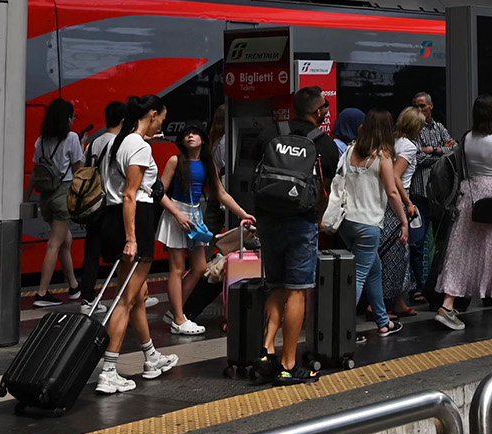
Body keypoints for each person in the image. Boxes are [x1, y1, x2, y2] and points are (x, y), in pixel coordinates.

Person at [95, 95, 179, 394]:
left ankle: (151, 357)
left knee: (139, 294)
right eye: (161, 119)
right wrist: (132, 239)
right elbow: (131, 194)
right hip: (134, 220)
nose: (161, 125)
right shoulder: (139, 146)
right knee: (126, 299)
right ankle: (108, 371)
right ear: (153, 114)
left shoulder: (116, 142)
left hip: (112, 217)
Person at [254, 85, 331, 385]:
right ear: (318, 111)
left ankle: (266, 351)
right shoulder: (323, 143)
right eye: (324, 107)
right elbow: (326, 187)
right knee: (297, 290)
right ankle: (288, 364)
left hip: (268, 220)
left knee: (275, 285)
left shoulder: (270, 134)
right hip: (301, 222)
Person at [433, 97, 492, 329]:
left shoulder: (466, 139)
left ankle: (447, 306)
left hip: (468, 196)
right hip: (491, 197)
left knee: (461, 252)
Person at [157, 126, 254, 333]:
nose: (190, 136)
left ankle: (176, 312)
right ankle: (178, 319)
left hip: (194, 217)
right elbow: (159, 192)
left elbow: (221, 193)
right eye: (187, 134)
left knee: (200, 267)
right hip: (177, 215)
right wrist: (177, 214)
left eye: (195, 133)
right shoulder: (175, 161)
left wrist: (243, 213)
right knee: (177, 269)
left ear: (203, 139)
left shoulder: (208, 163)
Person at [338, 108, 413, 338]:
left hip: (346, 223)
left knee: (374, 270)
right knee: (359, 276)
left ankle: (383, 322)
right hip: (368, 225)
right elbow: (392, 192)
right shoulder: (383, 156)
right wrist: (404, 221)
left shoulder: (350, 150)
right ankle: (343, 331)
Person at [30, 98, 84, 306]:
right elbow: (79, 169)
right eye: (72, 116)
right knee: (54, 244)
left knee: (64, 241)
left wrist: (27, 197)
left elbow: (35, 171)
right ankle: (42, 293)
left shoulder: (41, 140)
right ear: (67, 118)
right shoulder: (72, 138)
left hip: (46, 197)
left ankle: (73, 286)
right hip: (63, 195)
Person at [79, 101, 128, 302]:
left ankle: (87, 297)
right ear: (123, 120)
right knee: (123, 254)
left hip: (95, 205)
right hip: (115, 204)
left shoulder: (94, 143)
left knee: (92, 252)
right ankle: (128, 295)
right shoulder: (121, 144)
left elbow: (82, 170)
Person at [406, 91, 453, 297]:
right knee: (417, 242)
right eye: (415, 106)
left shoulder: (439, 127)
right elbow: (417, 158)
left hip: (439, 194)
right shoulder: (413, 129)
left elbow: (454, 150)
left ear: (431, 106)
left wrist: (432, 150)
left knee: (442, 241)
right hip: (419, 193)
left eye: (423, 106)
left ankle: (436, 284)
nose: (419, 110)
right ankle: (419, 286)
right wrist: (441, 151)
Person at [382, 107, 423, 319]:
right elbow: (396, 177)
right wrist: (408, 203)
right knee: (397, 251)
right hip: (398, 200)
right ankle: (381, 304)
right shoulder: (408, 146)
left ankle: (398, 301)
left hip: (387, 200)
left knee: (396, 251)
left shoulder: (392, 141)